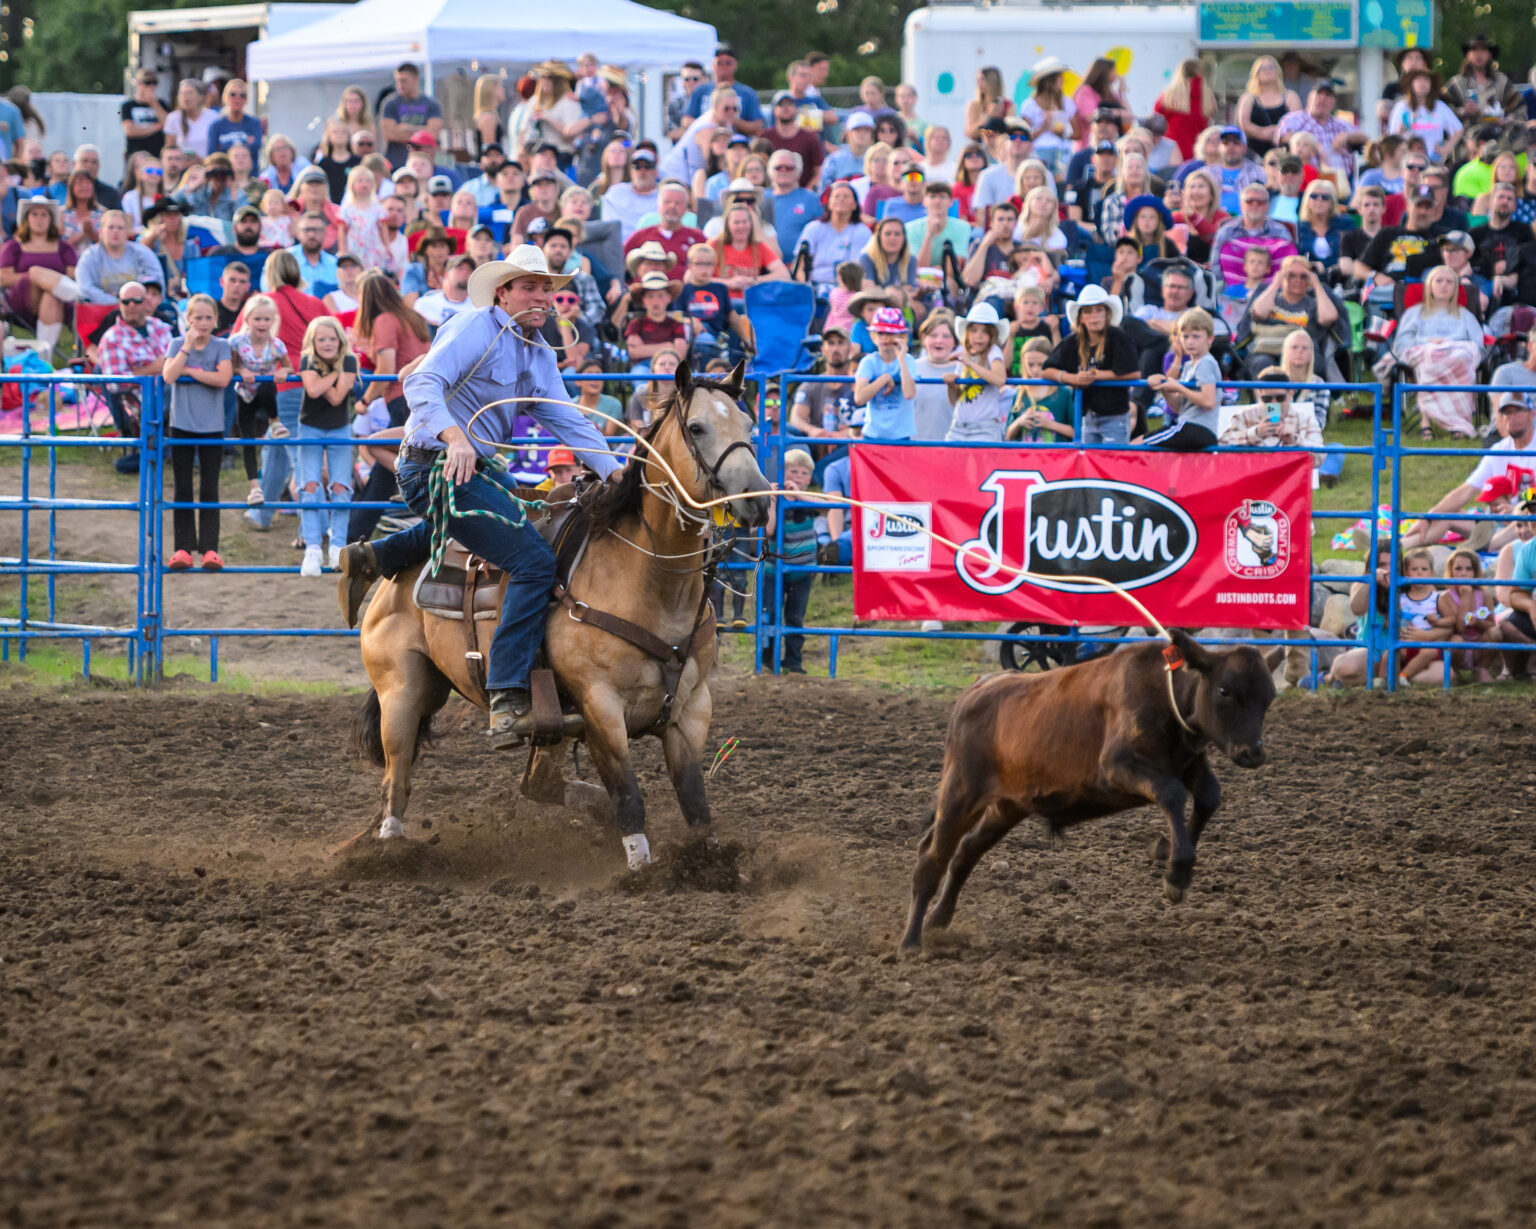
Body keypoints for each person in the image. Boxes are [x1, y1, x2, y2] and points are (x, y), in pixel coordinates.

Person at [336, 246, 623, 742]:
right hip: (432, 466)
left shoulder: (538, 353)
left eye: (546, 289)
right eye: (529, 288)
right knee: (533, 562)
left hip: (477, 469)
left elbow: (565, 417)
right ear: (502, 293)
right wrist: (456, 438)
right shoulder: (475, 327)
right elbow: (420, 383)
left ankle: (376, 556)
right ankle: (507, 695)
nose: (540, 297)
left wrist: (614, 471)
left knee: (517, 520)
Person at [162, 293, 234, 571]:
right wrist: (187, 348)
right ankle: (182, 548)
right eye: (197, 318)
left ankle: (209, 549)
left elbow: (223, 378)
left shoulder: (222, 345)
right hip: (181, 424)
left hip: (212, 426)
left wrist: (191, 372)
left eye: (208, 317)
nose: (203, 323)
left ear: (215, 319)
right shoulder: (177, 344)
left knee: (209, 488)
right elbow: (169, 375)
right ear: (188, 320)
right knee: (182, 486)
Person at [292, 316, 359, 576]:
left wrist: (325, 380)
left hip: (339, 427)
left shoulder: (349, 360)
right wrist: (334, 374)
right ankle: (312, 548)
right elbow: (313, 390)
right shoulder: (307, 359)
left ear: (340, 340)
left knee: (341, 487)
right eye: (321, 339)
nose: (328, 343)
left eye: (332, 338)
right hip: (309, 426)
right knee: (309, 486)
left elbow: (337, 397)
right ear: (313, 341)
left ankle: (337, 546)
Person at [1388, 263, 1485, 437]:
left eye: (1449, 281)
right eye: (1439, 281)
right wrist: (1429, 344)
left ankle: (1460, 423)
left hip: (1457, 359)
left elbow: (1477, 345)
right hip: (1425, 356)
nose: (1444, 285)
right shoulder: (1414, 313)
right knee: (1431, 356)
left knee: (1462, 355)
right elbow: (1402, 344)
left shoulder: (1466, 316)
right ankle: (1425, 421)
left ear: (1455, 288)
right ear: (1429, 286)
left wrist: (1449, 345)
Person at [1043, 285, 1140, 445]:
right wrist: (1071, 378)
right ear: (1081, 317)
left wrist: (1094, 376)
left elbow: (1134, 373)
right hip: (1085, 415)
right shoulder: (1073, 341)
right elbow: (1047, 370)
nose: (1094, 316)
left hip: (1115, 415)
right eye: (1088, 311)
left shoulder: (1118, 337)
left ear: (1106, 314)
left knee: (1111, 457)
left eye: (1099, 310)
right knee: (1088, 457)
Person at [227, 292, 291, 506]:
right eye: (257, 319)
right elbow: (232, 366)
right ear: (247, 320)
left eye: (266, 319)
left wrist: (283, 372)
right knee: (247, 439)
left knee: (266, 385)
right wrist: (241, 370)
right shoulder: (237, 342)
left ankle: (275, 422)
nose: (262, 323)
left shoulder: (276, 345)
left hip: (265, 393)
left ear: (273, 321)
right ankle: (255, 488)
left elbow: (289, 366)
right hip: (245, 394)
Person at [0, 195, 80, 359]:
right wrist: (36, 277)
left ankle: (44, 356)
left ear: (51, 219)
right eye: (34, 214)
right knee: (36, 271)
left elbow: (73, 273)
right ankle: (81, 295)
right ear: (26, 218)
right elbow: (4, 278)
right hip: (20, 300)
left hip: (57, 301)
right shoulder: (13, 246)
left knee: (50, 296)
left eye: (44, 215)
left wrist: (46, 283)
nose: (39, 219)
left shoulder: (63, 247)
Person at [762, 448, 817, 674]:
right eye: (793, 471)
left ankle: (794, 662)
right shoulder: (775, 497)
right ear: (783, 473)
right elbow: (769, 530)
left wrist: (798, 495)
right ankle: (768, 659)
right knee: (769, 614)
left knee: (795, 618)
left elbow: (824, 505)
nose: (798, 477)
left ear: (810, 478)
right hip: (773, 569)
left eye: (804, 473)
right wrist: (773, 500)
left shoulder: (810, 499)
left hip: (803, 570)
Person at [354, 270, 432, 420]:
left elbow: (386, 369)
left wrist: (365, 401)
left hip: (403, 395)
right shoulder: (413, 316)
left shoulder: (384, 320)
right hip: (426, 391)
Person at [1143, 308, 1221, 450]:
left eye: (1196, 336)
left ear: (1210, 338)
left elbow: (1208, 401)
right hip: (1189, 427)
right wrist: (1165, 388)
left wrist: (1179, 387)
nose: (1190, 342)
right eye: (1185, 336)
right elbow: (1178, 408)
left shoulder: (1205, 363)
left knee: (1137, 444)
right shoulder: (1189, 365)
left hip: (1197, 428)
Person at [943, 302, 1009, 442]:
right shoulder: (964, 355)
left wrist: (971, 363)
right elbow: (955, 401)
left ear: (992, 335)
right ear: (967, 333)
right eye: (974, 330)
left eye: (985, 331)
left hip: (984, 427)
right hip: (958, 425)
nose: (979, 336)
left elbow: (1000, 379)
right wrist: (951, 384)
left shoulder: (993, 351)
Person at [1276, 82, 1367, 180]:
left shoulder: (1340, 124)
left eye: (1327, 95)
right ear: (1310, 98)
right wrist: (1313, 144)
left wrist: (1348, 136)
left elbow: (1365, 137)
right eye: (1318, 94)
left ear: (1333, 102)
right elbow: (1283, 136)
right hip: (1308, 181)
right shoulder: (1295, 119)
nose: (1322, 99)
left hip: (1341, 181)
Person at [853, 307, 917, 440]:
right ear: (873, 336)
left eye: (891, 333)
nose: (885, 337)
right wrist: (884, 379)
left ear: (903, 337)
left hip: (901, 436)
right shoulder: (868, 361)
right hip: (872, 435)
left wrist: (901, 359)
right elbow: (859, 398)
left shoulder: (908, 360)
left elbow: (909, 393)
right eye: (881, 333)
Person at [1493, 489, 1536, 678]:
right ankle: (1513, 671)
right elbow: (1515, 594)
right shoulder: (1528, 550)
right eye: (1531, 512)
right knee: (1507, 624)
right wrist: (1531, 605)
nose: (1533, 518)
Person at [797, 181, 872, 291]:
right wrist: (805, 289)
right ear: (829, 203)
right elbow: (799, 266)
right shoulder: (813, 228)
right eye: (836, 196)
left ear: (855, 205)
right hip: (814, 287)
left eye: (846, 196)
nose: (841, 199)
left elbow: (859, 268)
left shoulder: (862, 232)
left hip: (848, 288)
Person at [74, 209, 160, 304]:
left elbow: (157, 283)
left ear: (127, 232)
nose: (116, 231)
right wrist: (117, 303)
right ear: (101, 232)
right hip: (101, 309)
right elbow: (85, 287)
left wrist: (133, 302)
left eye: (120, 228)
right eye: (111, 227)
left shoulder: (143, 253)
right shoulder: (90, 256)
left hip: (138, 307)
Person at [685, 43, 763, 136]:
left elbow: (757, 126)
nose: (724, 66)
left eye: (728, 63)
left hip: (736, 141)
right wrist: (712, 121)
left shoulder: (747, 93)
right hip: (706, 140)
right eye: (719, 63)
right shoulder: (700, 91)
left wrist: (732, 119)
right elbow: (686, 121)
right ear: (713, 65)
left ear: (735, 65)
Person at [1386, 68, 1462, 164]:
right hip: (1408, 162)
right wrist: (1400, 131)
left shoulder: (1439, 106)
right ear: (1411, 84)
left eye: (1426, 80)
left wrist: (1445, 149)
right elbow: (1393, 136)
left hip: (1433, 160)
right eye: (1418, 80)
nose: (1422, 84)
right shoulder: (1401, 107)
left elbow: (1458, 129)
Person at [624, 180, 706, 268]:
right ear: (658, 206)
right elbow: (622, 261)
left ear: (685, 208)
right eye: (667, 202)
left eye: (677, 203)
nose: (672, 206)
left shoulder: (697, 238)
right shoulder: (641, 236)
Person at [1007, 337, 1074, 441]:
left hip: (1056, 451)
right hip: (1026, 451)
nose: (1035, 370)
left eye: (1041, 364)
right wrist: (1019, 422)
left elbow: (1076, 432)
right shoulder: (1020, 392)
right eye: (1030, 365)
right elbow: (1008, 435)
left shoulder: (1064, 392)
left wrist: (1050, 424)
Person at [1443, 33, 1515, 127]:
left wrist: (1506, 120)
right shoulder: (1456, 84)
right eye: (1474, 50)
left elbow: (1518, 107)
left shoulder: (1502, 82)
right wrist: (1462, 111)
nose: (1478, 54)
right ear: (1468, 54)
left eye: (1483, 50)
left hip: (1498, 133)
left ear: (1489, 55)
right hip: (1466, 134)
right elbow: (1441, 110)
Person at [380, 63, 443, 168]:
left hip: (423, 163)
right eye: (397, 81)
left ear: (415, 79)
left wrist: (405, 128)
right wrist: (422, 132)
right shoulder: (390, 104)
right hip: (396, 162)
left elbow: (433, 134)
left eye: (403, 81)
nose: (399, 85)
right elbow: (390, 133)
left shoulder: (431, 104)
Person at [1236, 56, 1299, 157]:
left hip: (1284, 151)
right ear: (1256, 73)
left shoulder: (1290, 96)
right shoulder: (1248, 98)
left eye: (1271, 67)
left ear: (1278, 71)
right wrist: (1261, 132)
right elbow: (1244, 124)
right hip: (1254, 152)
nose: (1267, 71)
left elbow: (1297, 122)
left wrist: (1279, 133)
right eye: (1262, 68)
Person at [1155, 60, 1217, 161]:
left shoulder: (1170, 95)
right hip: (1197, 152)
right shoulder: (1207, 96)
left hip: (1172, 153)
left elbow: (1157, 120)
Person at [764, 91, 823, 188]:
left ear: (796, 109)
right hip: (773, 193)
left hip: (802, 191)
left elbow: (819, 171)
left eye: (790, 104)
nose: (786, 107)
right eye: (781, 104)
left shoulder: (810, 137)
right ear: (774, 110)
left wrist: (806, 193)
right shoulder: (765, 137)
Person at [207, 80, 262, 161]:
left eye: (242, 95)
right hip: (224, 168)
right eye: (233, 94)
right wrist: (245, 144)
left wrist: (224, 147)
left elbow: (255, 148)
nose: (237, 98)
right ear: (225, 97)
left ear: (246, 100)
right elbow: (212, 155)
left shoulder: (254, 123)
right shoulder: (216, 126)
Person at [122, 68, 168, 166]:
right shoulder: (128, 106)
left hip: (156, 155)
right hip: (135, 155)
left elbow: (168, 125)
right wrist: (156, 127)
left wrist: (154, 103)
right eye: (147, 82)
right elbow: (130, 131)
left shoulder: (161, 104)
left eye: (154, 82)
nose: (151, 86)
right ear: (138, 83)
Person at [286, 211, 339, 295]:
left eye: (316, 230)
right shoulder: (285, 259)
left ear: (325, 233)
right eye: (307, 230)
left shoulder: (334, 265)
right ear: (298, 233)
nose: (311, 234)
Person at [413, 253, 474, 326]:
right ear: (446, 273)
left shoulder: (477, 309)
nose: (465, 272)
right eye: (459, 269)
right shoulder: (425, 304)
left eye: (469, 270)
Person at [162, 78, 216, 156]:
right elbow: (169, 150)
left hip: (207, 162)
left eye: (190, 93)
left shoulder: (213, 117)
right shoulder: (173, 118)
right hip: (181, 163)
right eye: (182, 93)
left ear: (200, 97)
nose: (185, 96)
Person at [964, 67, 1012, 142]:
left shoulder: (1007, 105)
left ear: (992, 82)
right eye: (977, 80)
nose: (978, 83)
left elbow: (1010, 131)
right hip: (980, 146)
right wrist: (988, 116)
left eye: (982, 79)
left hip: (1002, 146)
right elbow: (970, 133)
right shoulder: (974, 105)